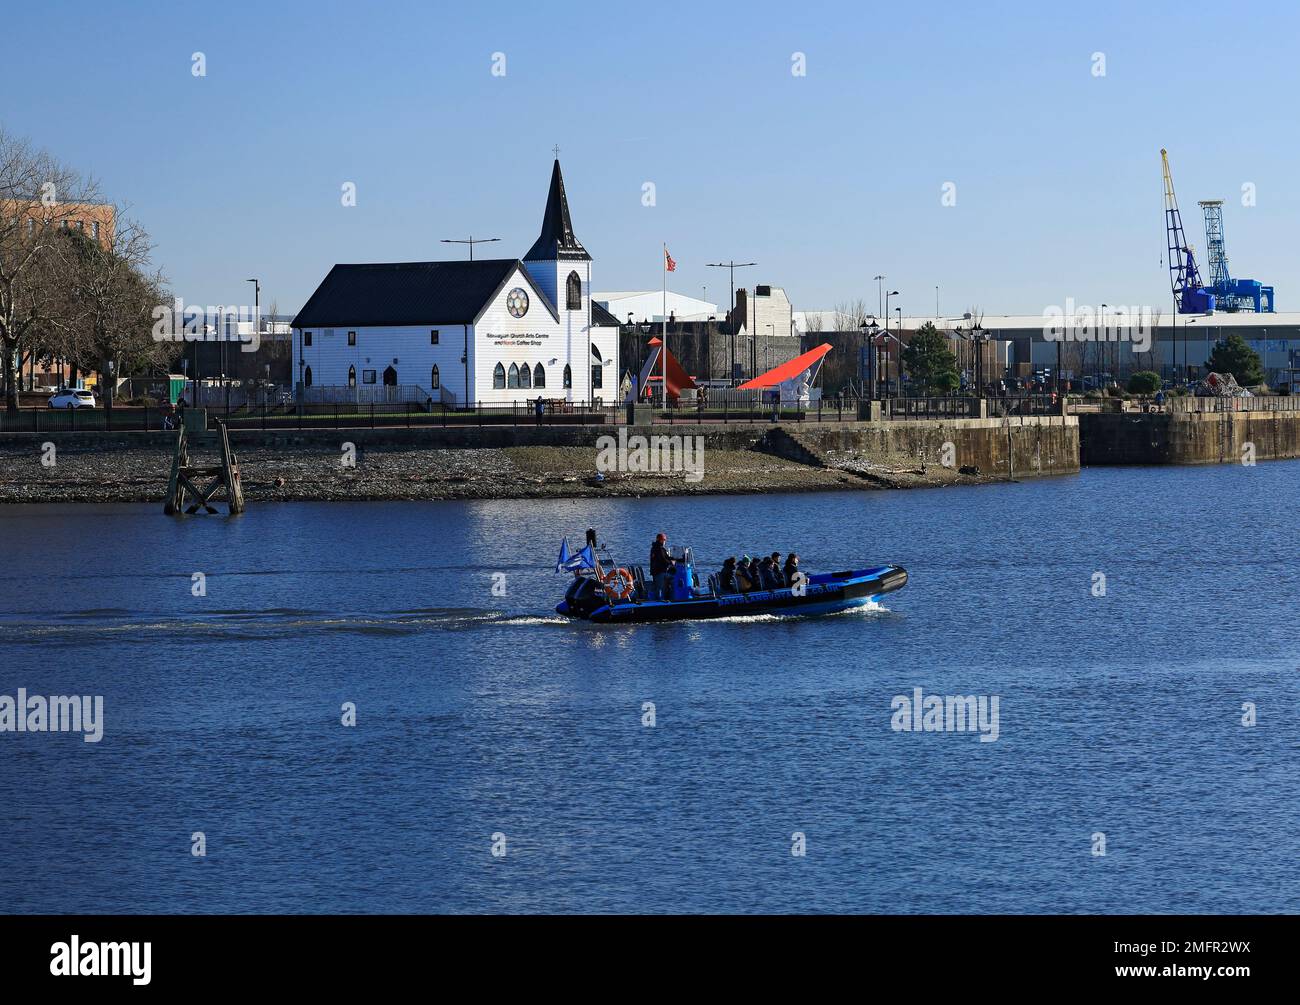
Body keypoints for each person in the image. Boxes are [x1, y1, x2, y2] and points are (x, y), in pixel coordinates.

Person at [649, 532, 671, 600]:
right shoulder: (658, 548)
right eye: (664, 540)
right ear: (660, 540)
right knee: (660, 588)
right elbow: (663, 560)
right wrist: (671, 563)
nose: (665, 542)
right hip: (659, 572)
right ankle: (660, 600)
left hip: (657, 571)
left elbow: (666, 557)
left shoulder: (657, 547)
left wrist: (675, 559)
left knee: (659, 587)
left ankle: (666, 596)